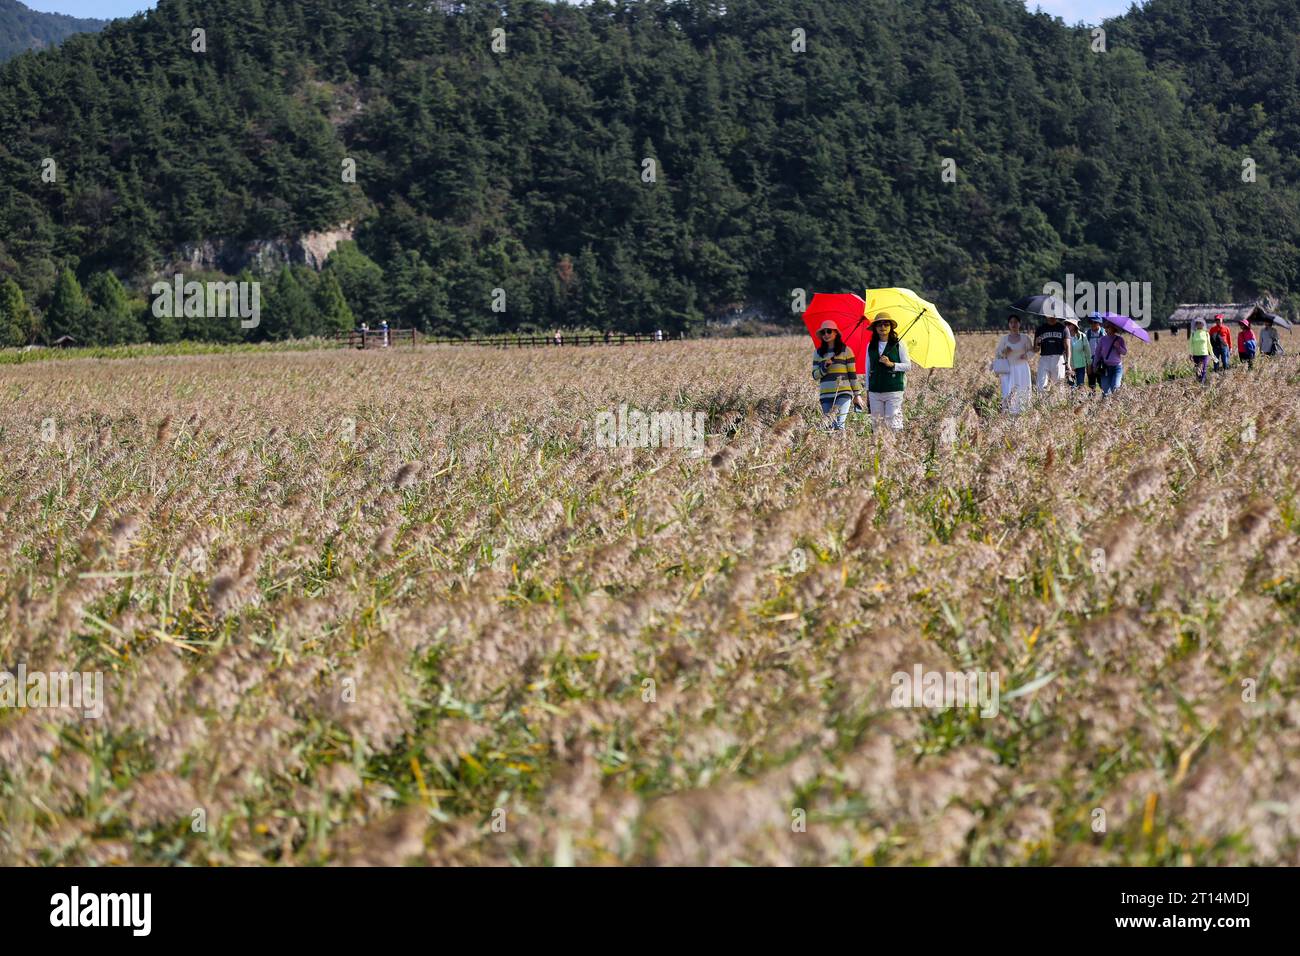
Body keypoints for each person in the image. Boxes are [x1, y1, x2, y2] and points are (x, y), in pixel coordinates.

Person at [812, 320, 862, 431]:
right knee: (829, 427)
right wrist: (824, 367)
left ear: (836, 333)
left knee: (839, 426)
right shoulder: (818, 353)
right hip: (825, 395)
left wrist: (857, 394)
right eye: (823, 333)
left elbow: (852, 375)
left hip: (843, 392)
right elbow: (815, 375)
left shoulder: (846, 351)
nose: (826, 335)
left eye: (829, 331)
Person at [866, 313, 911, 431]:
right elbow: (868, 370)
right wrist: (867, 391)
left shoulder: (899, 344)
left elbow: (908, 366)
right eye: (879, 324)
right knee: (877, 426)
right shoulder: (870, 346)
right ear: (875, 328)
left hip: (894, 390)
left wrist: (891, 364)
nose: (883, 327)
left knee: (894, 424)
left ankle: (895, 448)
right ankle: (879, 449)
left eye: (886, 324)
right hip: (875, 390)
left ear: (891, 327)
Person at [994, 314, 1034, 414]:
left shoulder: (1025, 338)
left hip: (1023, 368)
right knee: (1008, 391)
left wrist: (1026, 356)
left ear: (1019, 324)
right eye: (1011, 322)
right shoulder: (1004, 339)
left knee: (1023, 390)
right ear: (1009, 324)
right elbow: (998, 354)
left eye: (1015, 322)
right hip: (1009, 369)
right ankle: (1009, 412)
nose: (1013, 324)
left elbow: (1032, 351)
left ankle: (1023, 411)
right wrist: (1005, 351)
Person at [1034, 312, 1071, 392]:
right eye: (1049, 313)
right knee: (1041, 385)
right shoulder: (1040, 329)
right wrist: (1037, 343)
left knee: (1058, 387)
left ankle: (1058, 404)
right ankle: (1042, 404)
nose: (1051, 316)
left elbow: (1067, 347)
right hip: (1044, 358)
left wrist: (1068, 362)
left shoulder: (1063, 328)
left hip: (1058, 359)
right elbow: (1036, 350)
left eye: (1053, 313)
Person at [1094, 320, 1127, 395]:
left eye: (1109, 327)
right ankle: (1105, 406)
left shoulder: (1120, 339)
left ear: (1114, 328)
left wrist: (1119, 347)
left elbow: (1124, 352)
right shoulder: (1102, 339)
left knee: (1115, 387)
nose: (1107, 328)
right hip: (1105, 368)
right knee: (1105, 391)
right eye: (1106, 327)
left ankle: (1115, 405)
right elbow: (1097, 353)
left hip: (1117, 368)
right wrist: (1094, 365)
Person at [1066, 318, 1091, 389]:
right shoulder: (1065, 337)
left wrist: (1089, 364)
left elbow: (1087, 352)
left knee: (1080, 387)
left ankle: (1080, 400)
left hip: (1080, 366)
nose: (1067, 326)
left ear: (1074, 326)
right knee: (1071, 388)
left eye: (1069, 324)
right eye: (1066, 324)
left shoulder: (1083, 336)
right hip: (1069, 366)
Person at [1084, 314, 1105, 391]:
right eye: (1091, 322)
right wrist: (1087, 364)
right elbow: (1085, 349)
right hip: (1090, 361)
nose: (1092, 324)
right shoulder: (1087, 333)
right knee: (1091, 383)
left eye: (1095, 322)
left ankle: (1105, 400)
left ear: (1099, 323)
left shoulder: (1104, 333)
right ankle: (1092, 400)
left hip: (1101, 361)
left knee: (1102, 382)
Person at [1188, 317, 1211, 384]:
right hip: (1196, 354)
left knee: (1204, 369)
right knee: (1197, 370)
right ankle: (1198, 381)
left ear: (1203, 324)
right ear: (1195, 325)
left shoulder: (1206, 333)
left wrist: (1211, 353)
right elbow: (1191, 344)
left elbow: (1209, 344)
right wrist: (1190, 353)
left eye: (1200, 323)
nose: (1198, 324)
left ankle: (1202, 383)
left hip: (1204, 354)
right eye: (1197, 323)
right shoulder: (1193, 334)